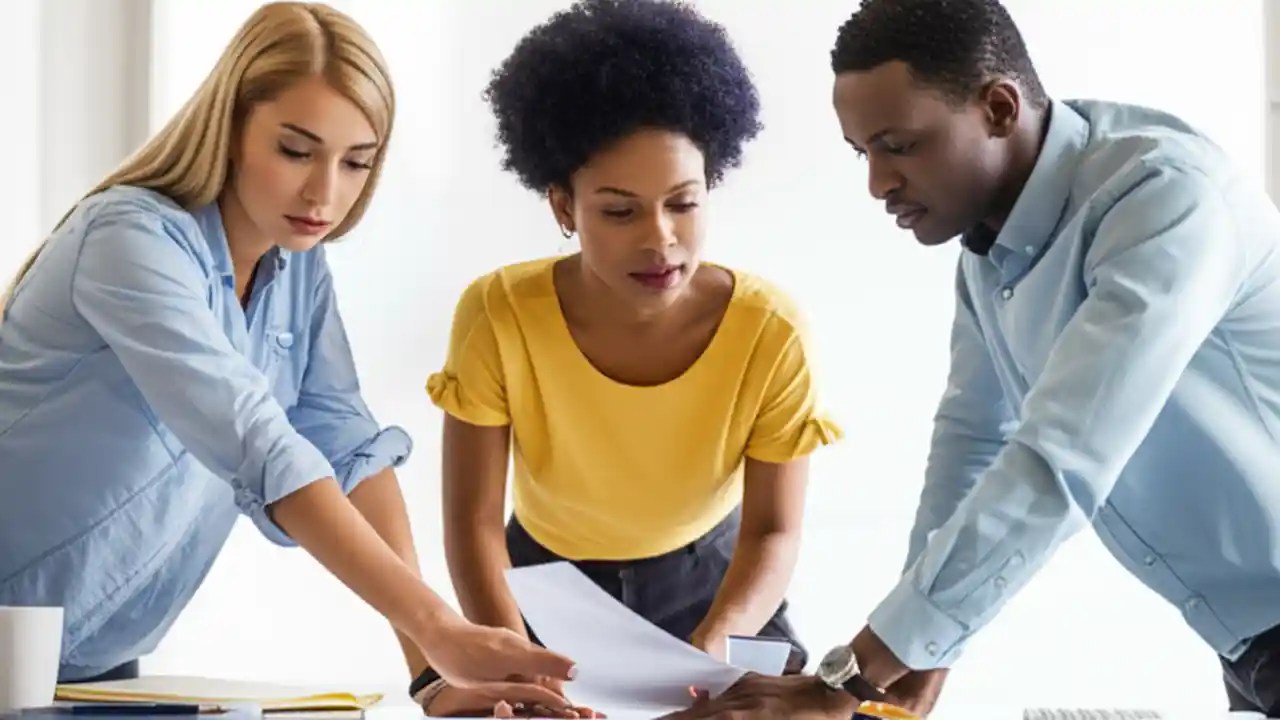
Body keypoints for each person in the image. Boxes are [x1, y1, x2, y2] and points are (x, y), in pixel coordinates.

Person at [674, 0, 1280, 717]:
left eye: (898, 145)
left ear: (997, 107)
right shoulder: (991, 246)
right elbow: (971, 440)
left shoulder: (1164, 200)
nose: (878, 183)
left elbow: (1062, 456)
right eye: (862, 152)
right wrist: (920, 649)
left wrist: (853, 676)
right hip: (1245, 637)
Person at [0, 2, 578, 712]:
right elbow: (258, 441)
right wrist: (438, 626)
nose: (324, 193)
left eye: (356, 162)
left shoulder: (298, 267)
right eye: (296, 151)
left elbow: (346, 447)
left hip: (96, 664)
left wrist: (432, 673)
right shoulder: (129, 239)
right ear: (231, 128)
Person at [421, 0, 841, 713]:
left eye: (683, 203)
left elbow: (773, 529)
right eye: (619, 211)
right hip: (540, 584)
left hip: (717, 579)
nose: (660, 238)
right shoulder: (498, 314)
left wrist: (717, 640)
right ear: (563, 206)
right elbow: (472, 522)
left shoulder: (769, 330)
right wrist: (510, 647)